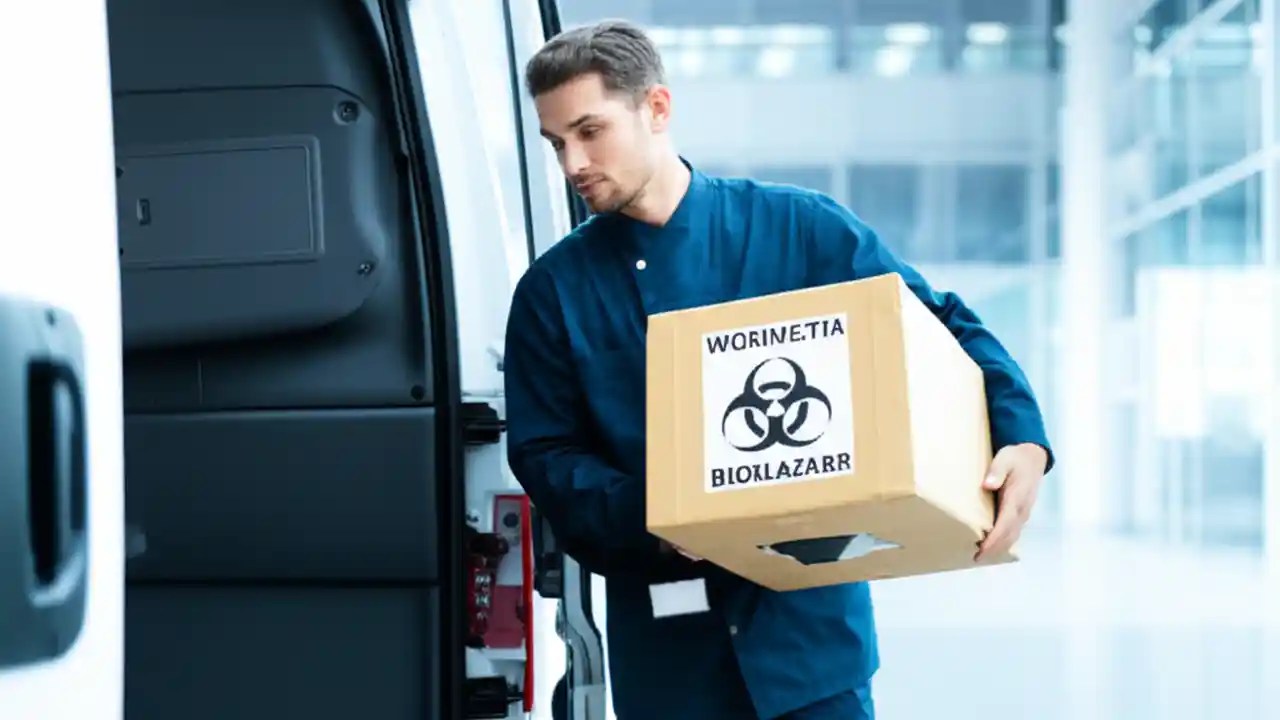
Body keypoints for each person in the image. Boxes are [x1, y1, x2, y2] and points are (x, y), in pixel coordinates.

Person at [503, 19, 1054, 720]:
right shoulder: (554, 292)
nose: (573, 163)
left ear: (657, 108)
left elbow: (940, 325)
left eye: (590, 131)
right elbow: (546, 454)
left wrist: (1023, 437)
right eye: (556, 143)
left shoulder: (801, 229)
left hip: (814, 650)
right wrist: (659, 514)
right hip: (670, 662)